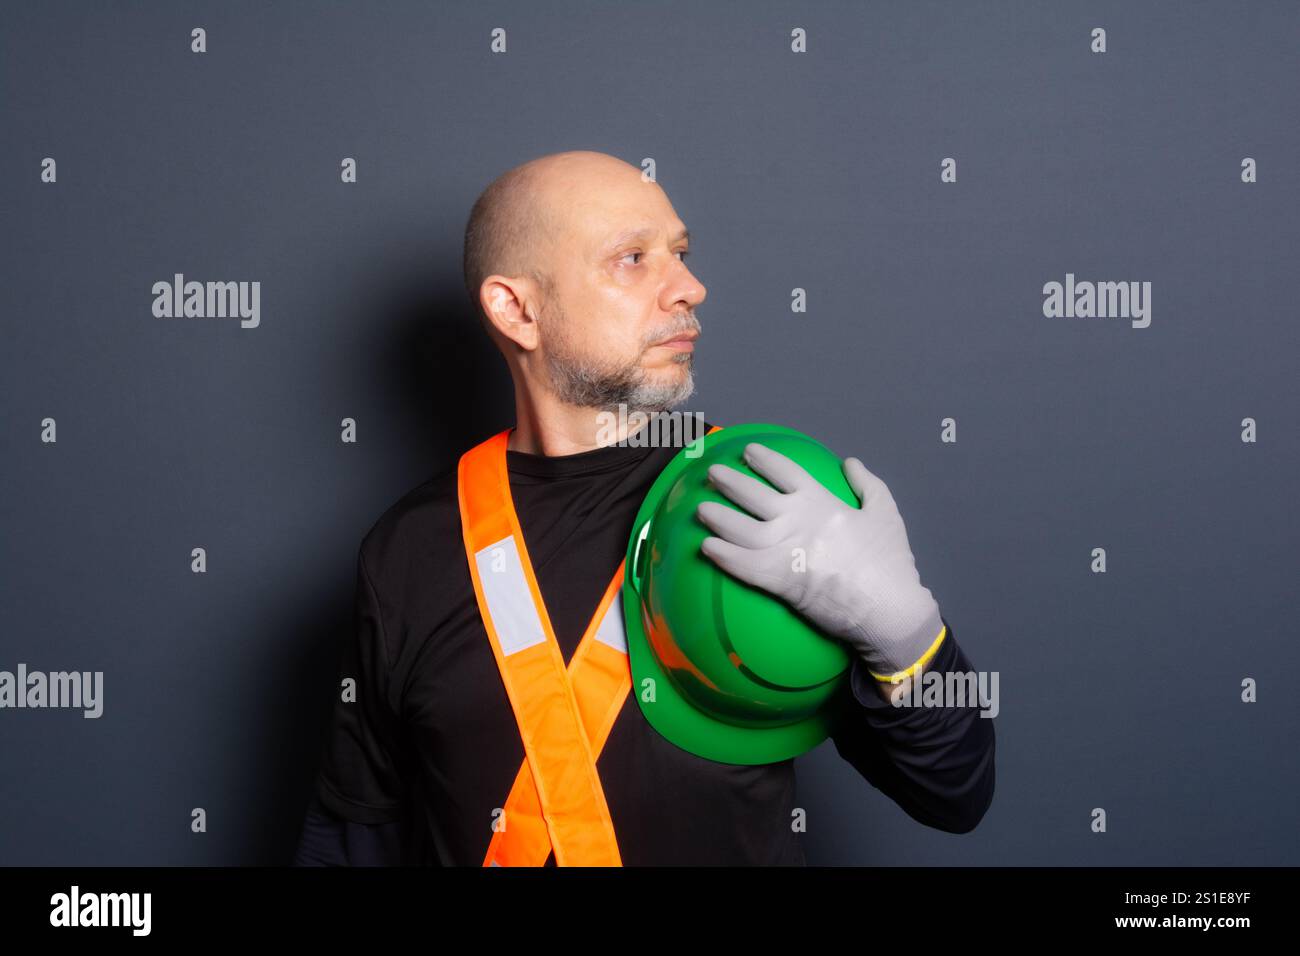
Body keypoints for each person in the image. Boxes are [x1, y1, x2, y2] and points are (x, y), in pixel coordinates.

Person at [292, 150, 995, 866]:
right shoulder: (407, 549)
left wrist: (906, 632)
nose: (690, 287)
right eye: (632, 259)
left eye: (680, 253)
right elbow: (353, 836)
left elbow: (955, 794)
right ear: (517, 309)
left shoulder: (766, 497)